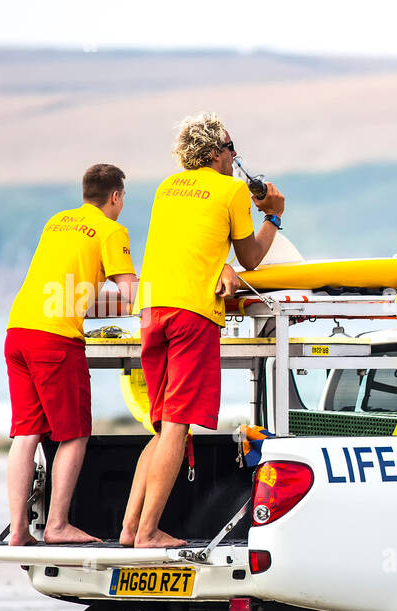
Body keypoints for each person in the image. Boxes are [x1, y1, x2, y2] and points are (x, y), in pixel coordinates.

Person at [121, 112, 285, 548]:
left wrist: (221, 261)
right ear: (216, 152)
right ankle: (150, 532)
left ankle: (129, 526)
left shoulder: (166, 187)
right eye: (232, 150)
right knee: (177, 425)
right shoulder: (230, 189)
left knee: (161, 428)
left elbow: (192, 242)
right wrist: (274, 217)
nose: (235, 158)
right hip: (193, 312)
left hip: (152, 310)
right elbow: (252, 258)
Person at [5, 164, 138, 545]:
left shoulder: (58, 221)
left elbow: (66, 283)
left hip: (18, 331)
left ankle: (18, 530)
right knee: (76, 433)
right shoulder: (113, 231)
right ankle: (57, 525)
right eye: (122, 198)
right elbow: (131, 292)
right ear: (116, 196)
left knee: (27, 432)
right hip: (55, 341)